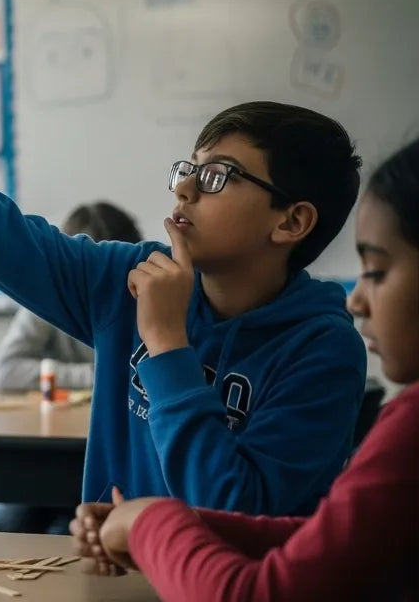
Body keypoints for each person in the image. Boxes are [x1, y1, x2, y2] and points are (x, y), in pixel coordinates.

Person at [0, 61, 367, 518]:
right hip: (110, 578)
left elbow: (234, 509)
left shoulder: (322, 350)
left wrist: (165, 344)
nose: (184, 189)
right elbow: (7, 238)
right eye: (188, 169)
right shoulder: (129, 277)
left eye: (217, 178)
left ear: (290, 222)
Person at [78, 138, 419, 601]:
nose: (358, 299)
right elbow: (317, 543)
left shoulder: (341, 362)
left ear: (292, 220)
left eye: (376, 272)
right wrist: (171, 520)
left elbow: (256, 593)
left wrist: (148, 523)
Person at [0, 202, 142, 392]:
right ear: (67, 264)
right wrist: (96, 375)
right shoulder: (47, 296)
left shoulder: (147, 300)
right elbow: (5, 372)